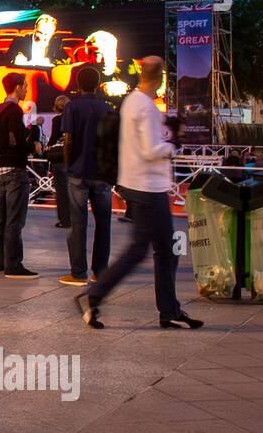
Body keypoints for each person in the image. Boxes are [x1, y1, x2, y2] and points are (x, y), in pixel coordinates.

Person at [77, 56, 202, 330]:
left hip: (139, 184)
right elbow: (150, 150)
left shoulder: (134, 101)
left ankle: (169, 310)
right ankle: (94, 296)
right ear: (160, 76)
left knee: (164, 250)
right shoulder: (145, 106)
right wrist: (174, 145)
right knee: (142, 249)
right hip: (148, 187)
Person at [61, 67, 112, 286]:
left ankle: (78, 272)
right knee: (103, 224)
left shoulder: (72, 107)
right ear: (98, 84)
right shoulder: (108, 108)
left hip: (78, 172)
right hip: (102, 173)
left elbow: (68, 140)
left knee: (77, 223)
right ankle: (100, 271)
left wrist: (67, 164)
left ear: (78, 84)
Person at [0, 73, 36, 278]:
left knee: (0, 217)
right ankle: (14, 265)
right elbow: (17, 140)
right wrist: (32, 145)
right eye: (25, 86)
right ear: (17, 87)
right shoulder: (14, 110)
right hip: (15, 168)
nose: (26, 90)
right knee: (14, 220)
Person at [49, 95, 71, 228]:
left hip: (59, 159)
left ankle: (64, 220)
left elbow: (53, 139)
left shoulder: (57, 120)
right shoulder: (74, 118)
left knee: (62, 191)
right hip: (73, 159)